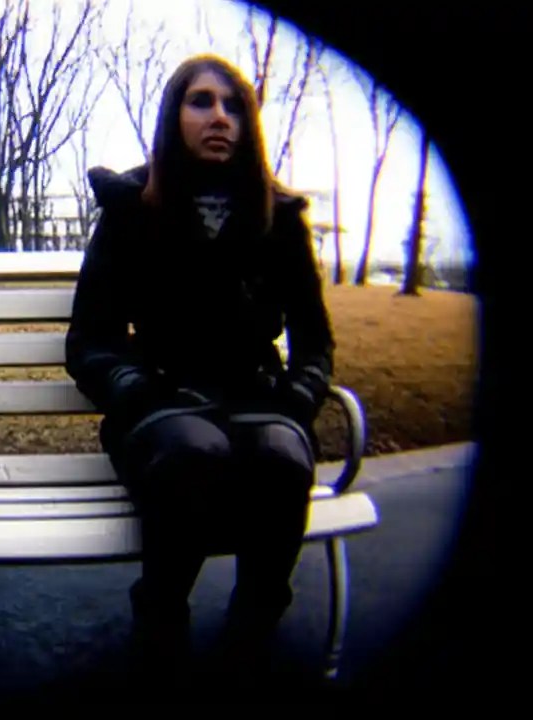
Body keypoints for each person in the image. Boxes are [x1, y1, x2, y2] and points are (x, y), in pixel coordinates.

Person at [65, 54, 336, 689]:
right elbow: (91, 339)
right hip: (162, 412)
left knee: (279, 455)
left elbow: (316, 340)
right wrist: (134, 390)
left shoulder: (279, 218)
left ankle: (253, 631)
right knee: (196, 447)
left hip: (260, 404)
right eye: (202, 102)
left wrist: (300, 396)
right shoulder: (133, 209)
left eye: (235, 105)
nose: (221, 116)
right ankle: (161, 617)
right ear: (173, 116)